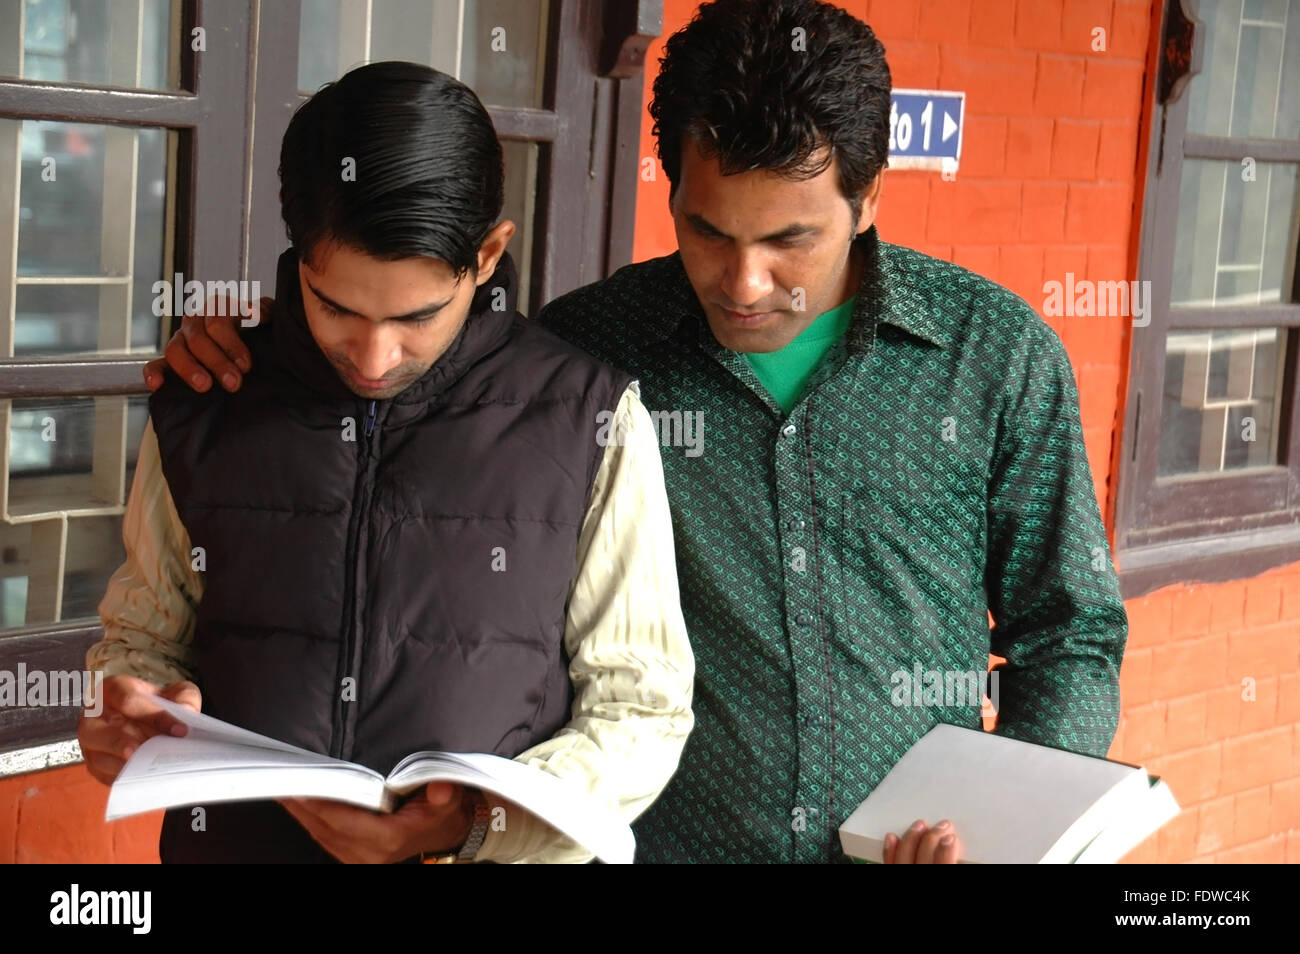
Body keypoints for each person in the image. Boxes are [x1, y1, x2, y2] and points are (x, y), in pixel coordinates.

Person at [149, 0, 1127, 865]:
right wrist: (257, 348)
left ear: (868, 200)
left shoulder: (992, 354)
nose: (743, 285)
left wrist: (1009, 837)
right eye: (708, 231)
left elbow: (1069, 632)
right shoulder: (583, 355)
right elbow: (408, 342)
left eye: (789, 240)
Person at [79, 61, 696, 864]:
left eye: (416, 315)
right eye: (334, 305)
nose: (372, 355)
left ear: (487, 255)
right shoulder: (210, 393)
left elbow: (640, 707)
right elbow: (140, 639)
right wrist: (126, 707)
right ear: (299, 251)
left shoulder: (591, 419)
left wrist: (478, 824)